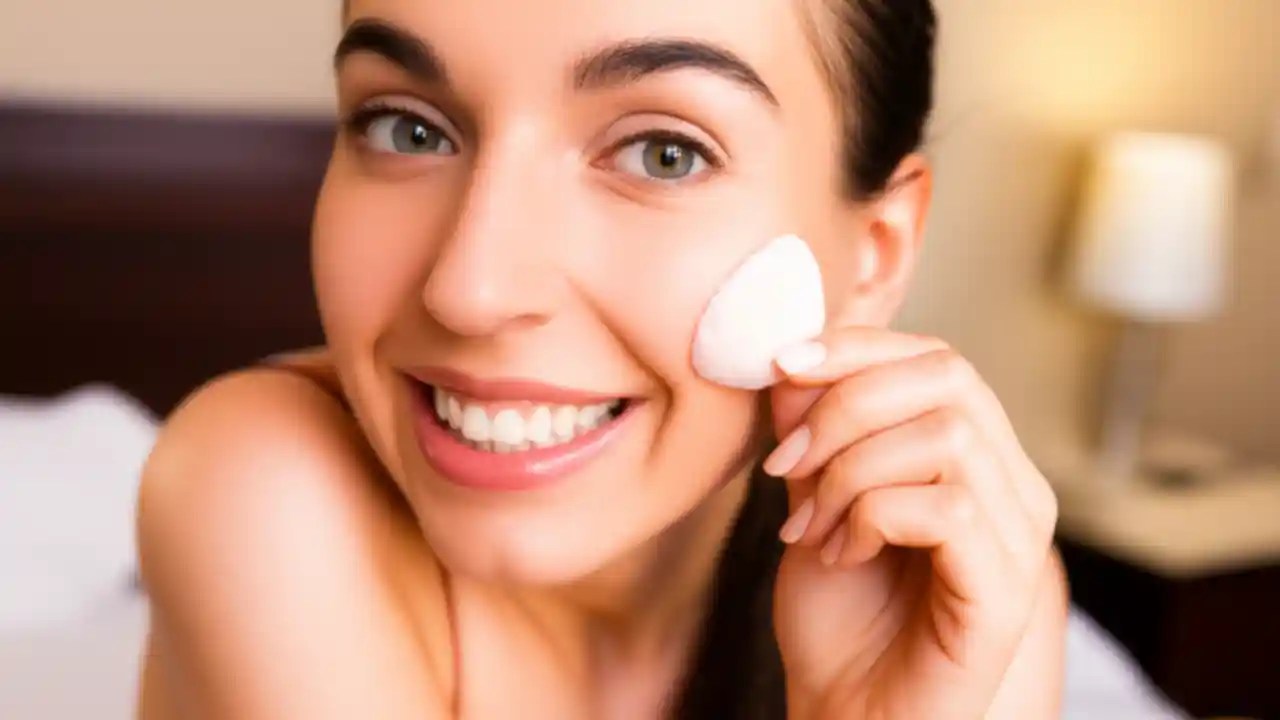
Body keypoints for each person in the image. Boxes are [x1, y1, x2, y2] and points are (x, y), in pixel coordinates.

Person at [137, 0, 1067, 717]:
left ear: (877, 254)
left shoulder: (954, 578)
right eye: (406, 128)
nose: (471, 287)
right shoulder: (261, 481)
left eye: (664, 153)